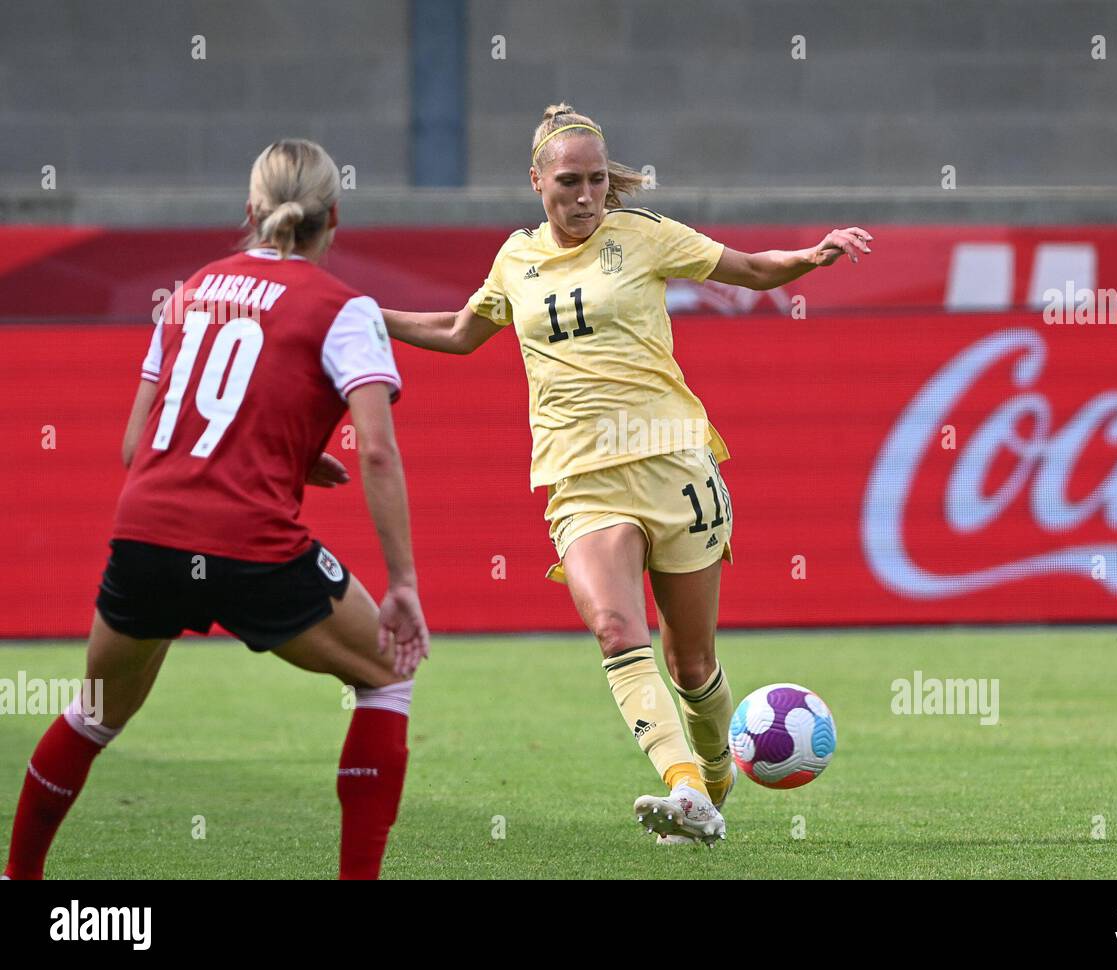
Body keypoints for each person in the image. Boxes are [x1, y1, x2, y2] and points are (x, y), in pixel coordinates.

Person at [383, 104, 869, 844]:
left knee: (693, 661)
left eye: (597, 182)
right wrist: (365, 314)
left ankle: (714, 775)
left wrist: (812, 256)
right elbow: (457, 332)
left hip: (674, 462)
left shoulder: (641, 236)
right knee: (616, 628)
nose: (584, 197)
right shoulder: (515, 260)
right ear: (536, 181)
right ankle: (683, 788)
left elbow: (748, 269)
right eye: (569, 182)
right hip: (581, 480)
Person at [2, 139, 428, 881]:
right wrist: (404, 585)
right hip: (251, 543)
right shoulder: (346, 308)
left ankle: (17, 877)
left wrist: (283, 455)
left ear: (249, 212)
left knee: (95, 714)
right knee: (387, 675)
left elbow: (138, 445)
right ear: (335, 217)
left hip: (146, 535)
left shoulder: (192, 289)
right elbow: (379, 453)